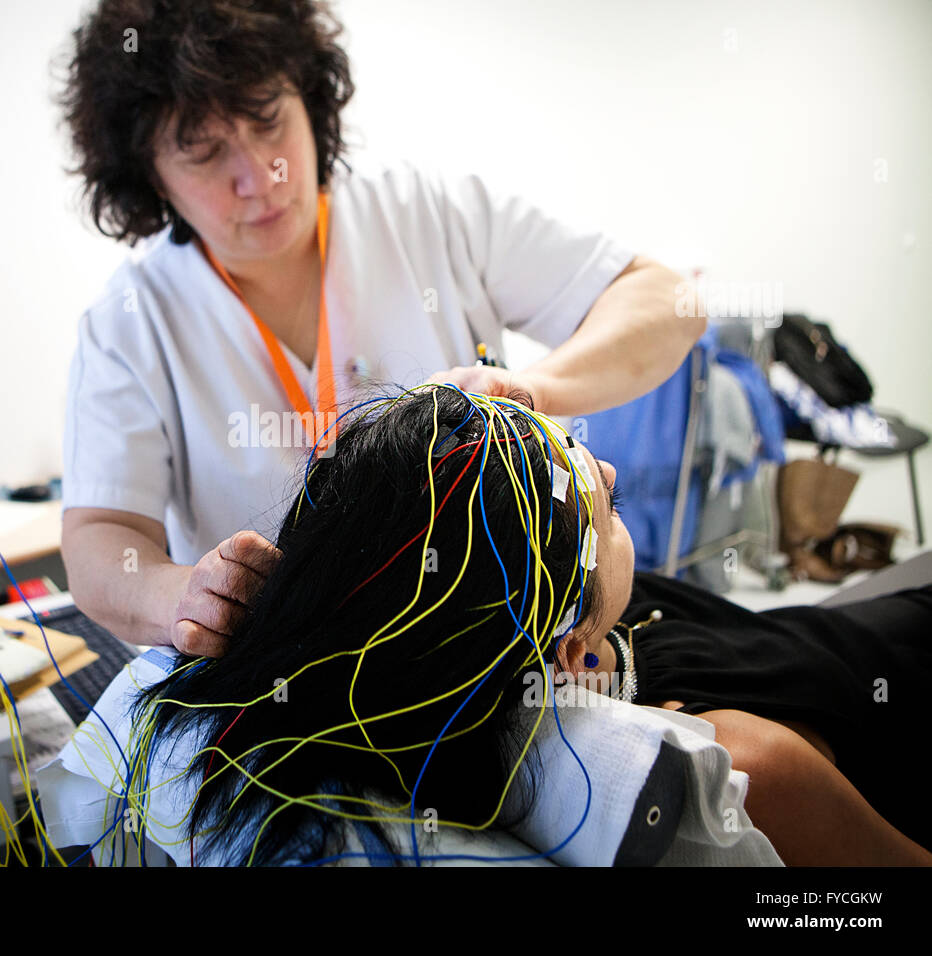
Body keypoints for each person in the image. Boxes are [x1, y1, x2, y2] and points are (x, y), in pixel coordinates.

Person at [53, 0, 705, 656]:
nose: (260, 177)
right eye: (203, 153)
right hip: (274, 683)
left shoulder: (426, 217)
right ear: (149, 177)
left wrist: (535, 390)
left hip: (481, 659)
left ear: (309, 100)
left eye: (268, 121)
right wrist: (186, 598)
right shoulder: (131, 324)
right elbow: (99, 539)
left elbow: (666, 300)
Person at [128, 386, 932, 867]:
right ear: (568, 649)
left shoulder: (578, 622)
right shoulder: (740, 760)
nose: (611, 470)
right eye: (606, 509)